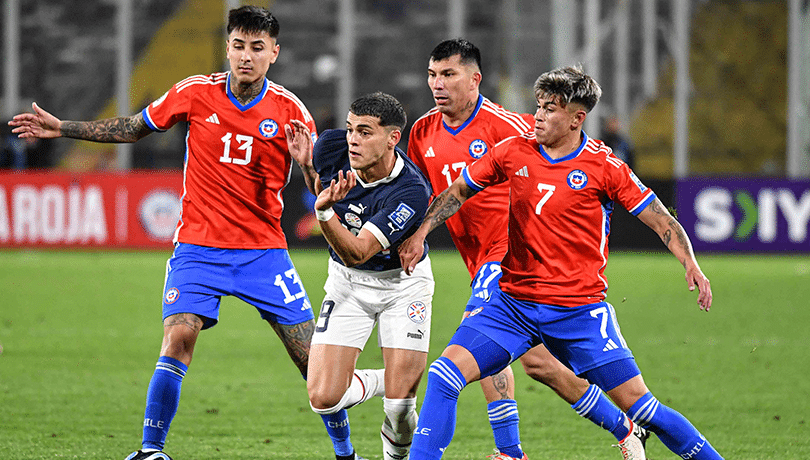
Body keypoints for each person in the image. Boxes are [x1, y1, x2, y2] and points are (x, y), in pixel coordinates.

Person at [9, 6, 375, 460]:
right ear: (228, 47)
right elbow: (134, 128)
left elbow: (323, 194)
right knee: (177, 339)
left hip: (263, 253)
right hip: (198, 251)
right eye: (239, 46)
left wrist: (305, 162)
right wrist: (63, 127)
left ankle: (346, 454)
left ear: (274, 53)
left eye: (257, 48)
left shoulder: (289, 111)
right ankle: (151, 450)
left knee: (313, 364)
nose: (246, 56)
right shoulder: (195, 93)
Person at [399, 65, 723, 460]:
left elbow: (660, 218)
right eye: (538, 106)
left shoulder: (605, 167)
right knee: (443, 375)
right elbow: (459, 190)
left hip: (577, 310)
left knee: (644, 409)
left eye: (550, 109)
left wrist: (690, 262)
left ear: (576, 118)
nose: (538, 116)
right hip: (512, 304)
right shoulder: (514, 151)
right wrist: (419, 234)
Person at [287, 92, 434, 460]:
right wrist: (307, 168)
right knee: (323, 398)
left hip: (402, 285)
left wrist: (323, 216)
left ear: (392, 138)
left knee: (400, 412)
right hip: (348, 285)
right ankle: (391, 379)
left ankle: (398, 418)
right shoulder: (331, 148)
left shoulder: (410, 191)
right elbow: (324, 190)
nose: (353, 139)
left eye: (365, 132)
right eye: (351, 128)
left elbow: (357, 251)